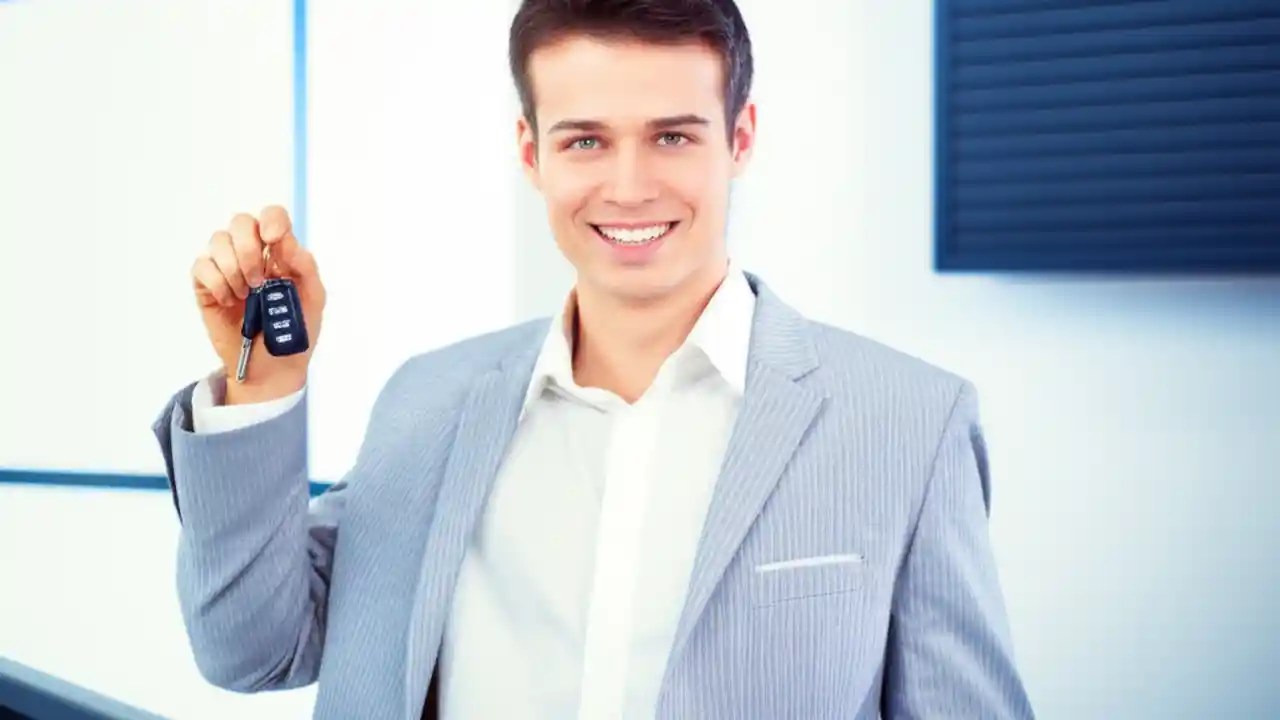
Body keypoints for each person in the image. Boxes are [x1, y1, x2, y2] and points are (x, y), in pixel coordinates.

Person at [153, 1, 1035, 718]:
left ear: (742, 139)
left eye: (674, 136)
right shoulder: (427, 402)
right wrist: (262, 390)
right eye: (585, 140)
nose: (629, 185)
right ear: (532, 152)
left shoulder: (909, 422)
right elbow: (252, 652)